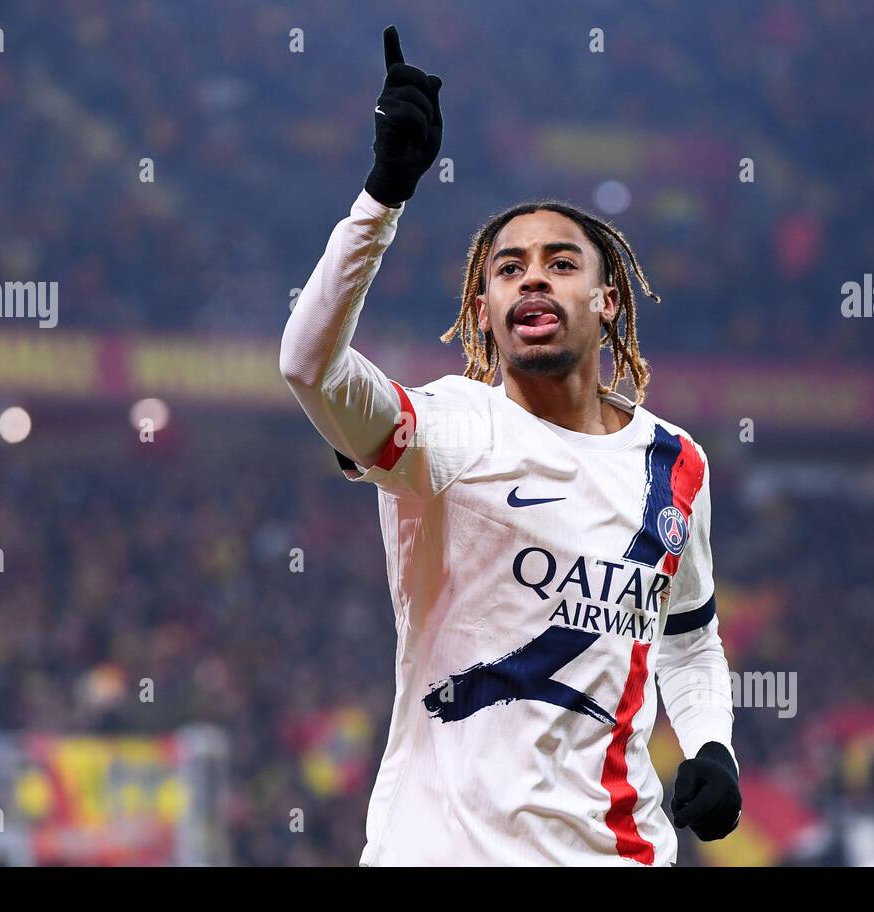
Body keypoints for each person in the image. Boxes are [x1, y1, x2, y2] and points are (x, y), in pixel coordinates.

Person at [280, 26, 740, 866]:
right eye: (508, 268)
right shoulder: (449, 429)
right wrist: (383, 195)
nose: (532, 277)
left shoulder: (677, 465)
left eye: (560, 263)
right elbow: (309, 365)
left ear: (607, 300)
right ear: (484, 311)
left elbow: (688, 634)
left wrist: (711, 743)